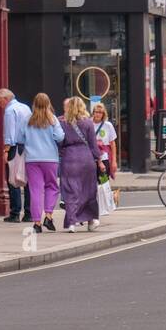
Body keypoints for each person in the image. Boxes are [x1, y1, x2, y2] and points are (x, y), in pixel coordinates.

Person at [59, 97, 105, 232]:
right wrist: (99, 160)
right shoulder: (88, 123)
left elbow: (59, 143)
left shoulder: (63, 123)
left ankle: (72, 223)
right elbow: (93, 145)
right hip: (86, 159)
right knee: (88, 191)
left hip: (69, 159)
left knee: (70, 191)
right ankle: (91, 221)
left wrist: (62, 152)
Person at [23, 93, 65, 233]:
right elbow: (59, 137)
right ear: (48, 104)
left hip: (32, 159)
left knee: (35, 190)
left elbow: (19, 138)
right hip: (50, 158)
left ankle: (36, 222)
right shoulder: (52, 119)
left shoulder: (27, 119)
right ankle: (48, 215)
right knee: (52, 187)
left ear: (34, 104)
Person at [0, 88, 32, 223]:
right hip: (27, 146)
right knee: (27, 180)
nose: (0, 105)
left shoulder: (10, 111)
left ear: (6, 99)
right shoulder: (26, 107)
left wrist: (6, 150)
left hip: (14, 147)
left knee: (13, 180)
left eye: (0, 102)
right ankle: (29, 213)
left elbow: (10, 133)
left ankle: (15, 212)